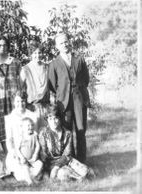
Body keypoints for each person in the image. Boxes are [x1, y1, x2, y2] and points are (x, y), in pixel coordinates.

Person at [48, 33, 90, 163]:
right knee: (67, 131)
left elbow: (85, 79)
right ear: (57, 46)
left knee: (81, 130)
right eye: (61, 43)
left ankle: (82, 160)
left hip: (78, 99)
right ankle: (69, 159)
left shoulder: (79, 60)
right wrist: (63, 94)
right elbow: (52, 85)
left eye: (66, 42)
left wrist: (79, 93)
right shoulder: (54, 63)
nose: (64, 44)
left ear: (69, 42)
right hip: (63, 102)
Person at [39, 105, 92, 181]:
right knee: (63, 173)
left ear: (60, 119)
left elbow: (67, 154)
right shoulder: (43, 133)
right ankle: (78, 178)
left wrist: (58, 166)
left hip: (65, 160)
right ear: (47, 120)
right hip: (51, 163)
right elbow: (43, 154)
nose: (53, 122)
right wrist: (50, 169)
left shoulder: (67, 133)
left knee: (85, 170)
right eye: (50, 119)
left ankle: (83, 174)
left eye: (56, 118)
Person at [0, 36, 22, 150]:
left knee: (15, 126)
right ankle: (6, 155)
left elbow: (21, 82)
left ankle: (17, 155)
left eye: (5, 45)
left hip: (13, 100)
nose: (3, 47)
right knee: (1, 128)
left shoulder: (15, 62)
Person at [5, 90, 38, 182]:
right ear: (13, 102)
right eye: (18, 101)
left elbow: (35, 136)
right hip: (17, 151)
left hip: (30, 150)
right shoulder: (9, 118)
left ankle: (30, 171)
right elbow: (9, 139)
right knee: (21, 175)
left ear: (26, 101)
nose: (20, 103)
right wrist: (13, 153)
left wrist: (34, 154)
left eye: (23, 101)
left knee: (37, 168)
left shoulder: (33, 115)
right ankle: (23, 172)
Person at [20, 40, 49, 131]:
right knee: (34, 134)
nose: (37, 55)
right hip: (32, 107)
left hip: (46, 106)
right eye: (34, 53)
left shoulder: (47, 67)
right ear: (30, 54)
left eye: (39, 52)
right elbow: (20, 89)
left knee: (46, 134)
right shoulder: (25, 69)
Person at [14, 117, 43, 185]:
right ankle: (29, 180)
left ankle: (32, 175)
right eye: (28, 125)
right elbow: (17, 149)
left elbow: (38, 146)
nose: (31, 127)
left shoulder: (34, 135)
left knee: (40, 164)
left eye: (32, 125)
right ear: (23, 128)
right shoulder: (21, 137)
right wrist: (22, 157)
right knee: (25, 168)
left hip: (33, 159)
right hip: (24, 160)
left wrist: (35, 154)